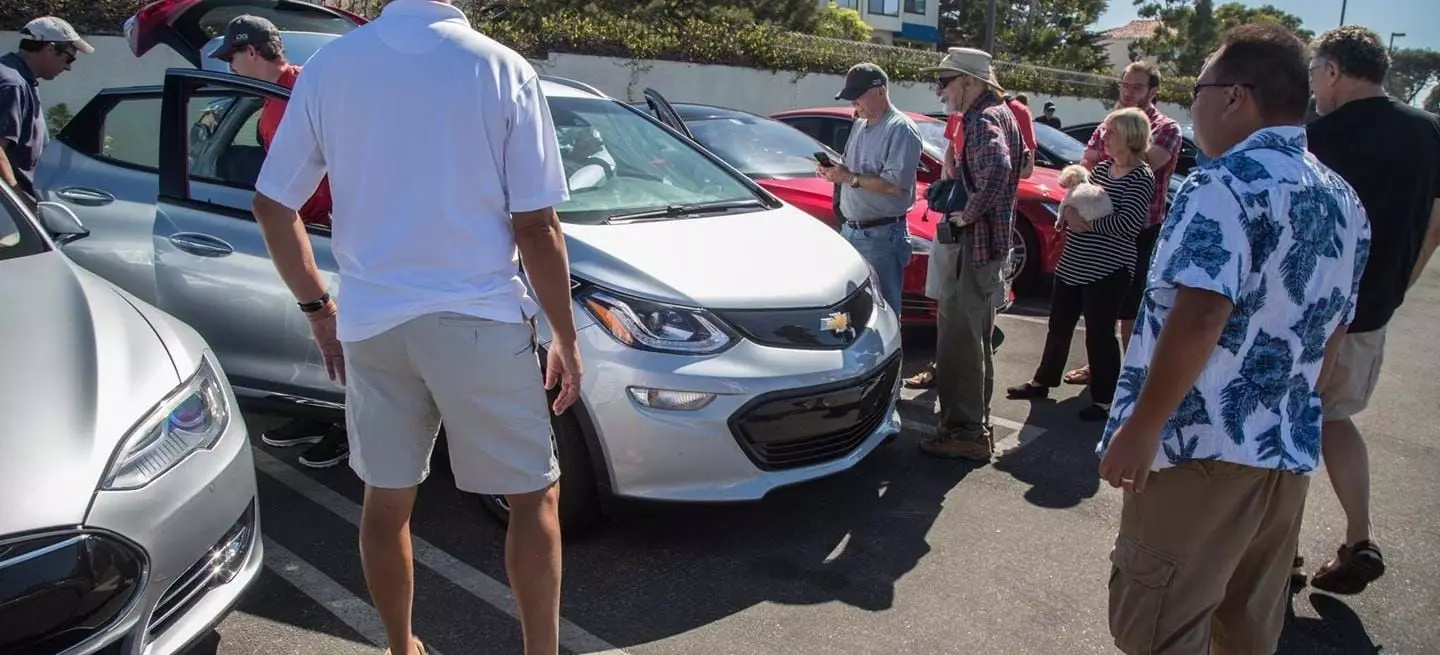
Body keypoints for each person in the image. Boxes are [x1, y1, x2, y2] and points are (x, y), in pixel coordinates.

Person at [249, 1, 581, 654]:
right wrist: (566, 337)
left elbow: (271, 203)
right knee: (533, 498)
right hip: (479, 319)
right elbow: (536, 227)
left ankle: (402, 646)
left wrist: (318, 309)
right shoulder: (501, 68)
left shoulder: (330, 66)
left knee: (386, 497)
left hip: (373, 322)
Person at [1098, 23, 1369, 655]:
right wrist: (1296, 406)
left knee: (1158, 624)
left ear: (1234, 97)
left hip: (1200, 447)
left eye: (1198, 89)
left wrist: (1142, 427)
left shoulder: (1221, 183)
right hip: (1283, 449)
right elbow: (1335, 328)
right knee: (1249, 624)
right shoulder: (1343, 198)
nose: (1191, 106)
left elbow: (1199, 315)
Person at [1302, 25, 1440, 595]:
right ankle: (1360, 538)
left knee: (1290, 426)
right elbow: (1434, 225)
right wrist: (1399, 285)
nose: (1312, 84)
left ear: (1333, 70)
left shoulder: (1317, 136)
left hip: (1311, 313)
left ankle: (1279, 555)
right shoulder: (1429, 131)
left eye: (1315, 72)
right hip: (1375, 306)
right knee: (1336, 419)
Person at [211, 14, 348, 469]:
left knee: (343, 333)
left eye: (232, 57)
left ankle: (348, 425)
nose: (229, 68)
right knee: (309, 330)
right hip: (299, 228)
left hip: (328, 229)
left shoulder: (304, 90)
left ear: (251, 51)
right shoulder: (270, 99)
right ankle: (314, 410)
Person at [1006, 108, 1154, 421]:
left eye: (1112, 132)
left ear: (1130, 136)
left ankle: (1104, 398)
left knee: (1099, 333)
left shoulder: (1142, 177)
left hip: (1110, 267)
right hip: (1074, 261)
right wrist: (1069, 219)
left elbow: (1128, 225)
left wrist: (1084, 222)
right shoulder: (1101, 170)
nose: (1105, 137)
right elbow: (1074, 202)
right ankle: (1043, 380)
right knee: (1058, 324)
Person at [915, 47, 1023, 462]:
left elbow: (996, 169)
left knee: (960, 341)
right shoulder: (1002, 113)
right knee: (974, 338)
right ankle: (973, 426)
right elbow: (1014, 164)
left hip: (975, 245)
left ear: (968, 81)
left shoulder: (982, 118)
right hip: (988, 247)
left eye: (945, 82)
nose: (940, 91)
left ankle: (965, 432)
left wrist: (965, 215)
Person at [1064, 61, 1183, 387]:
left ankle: (1132, 375)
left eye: (1137, 87)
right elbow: (1087, 162)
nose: (1128, 92)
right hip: (1098, 226)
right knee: (1098, 304)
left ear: (1153, 91)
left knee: (1130, 305)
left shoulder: (1167, 129)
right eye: (1125, 85)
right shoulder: (1109, 122)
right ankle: (1099, 367)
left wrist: (1112, 155)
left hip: (1139, 229)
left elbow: (1139, 164)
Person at [816, 63, 923, 314]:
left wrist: (849, 177)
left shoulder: (900, 129)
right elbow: (851, 168)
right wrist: (833, 171)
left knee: (883, 310)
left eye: (857, 96)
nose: (853, 103)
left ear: (880, 91)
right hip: (852, 230)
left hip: (882, 235)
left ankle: (890, 354)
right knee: (853, 310)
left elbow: (895, 185)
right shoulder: (860, 126)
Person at [0, 16, 91, 200]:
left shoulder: (20, 77)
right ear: (50, 49)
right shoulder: (13, 84)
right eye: (69, 59)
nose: (68, 68)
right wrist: (18, 202)